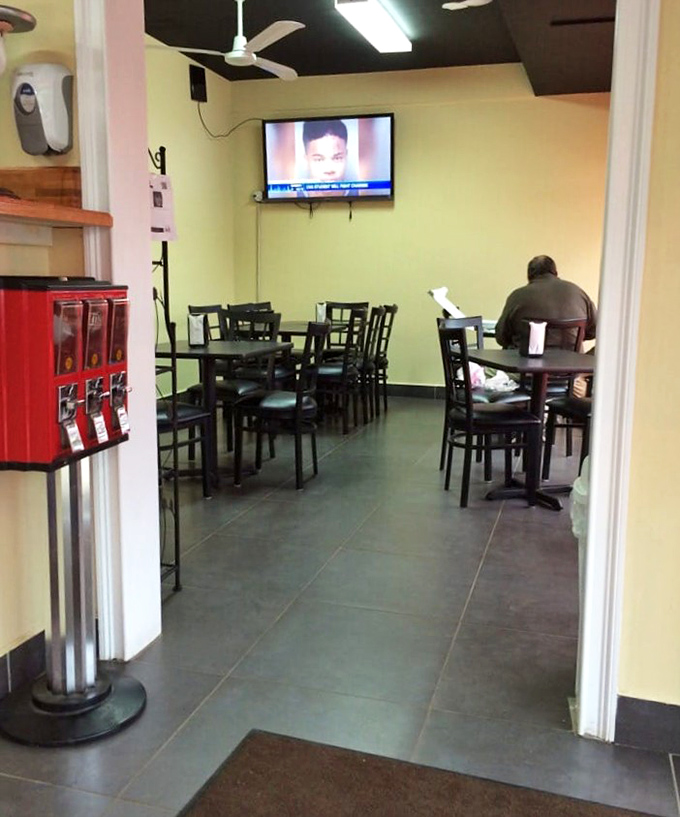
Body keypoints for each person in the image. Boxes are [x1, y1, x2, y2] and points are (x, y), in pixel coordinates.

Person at [495, 255, 597, 350]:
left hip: (526, 366)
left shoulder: (517, 296)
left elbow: (501, 337)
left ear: (529, 276)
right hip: (572, 365)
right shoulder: (578, 293)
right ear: (555, 273)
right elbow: (595, 329)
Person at [300, 119, 349, 197]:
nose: (329, 170)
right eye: (319, 160)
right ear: (306, 161)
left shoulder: (363, 192)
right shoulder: (292, 195)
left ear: (346, 156)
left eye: (337, 158)